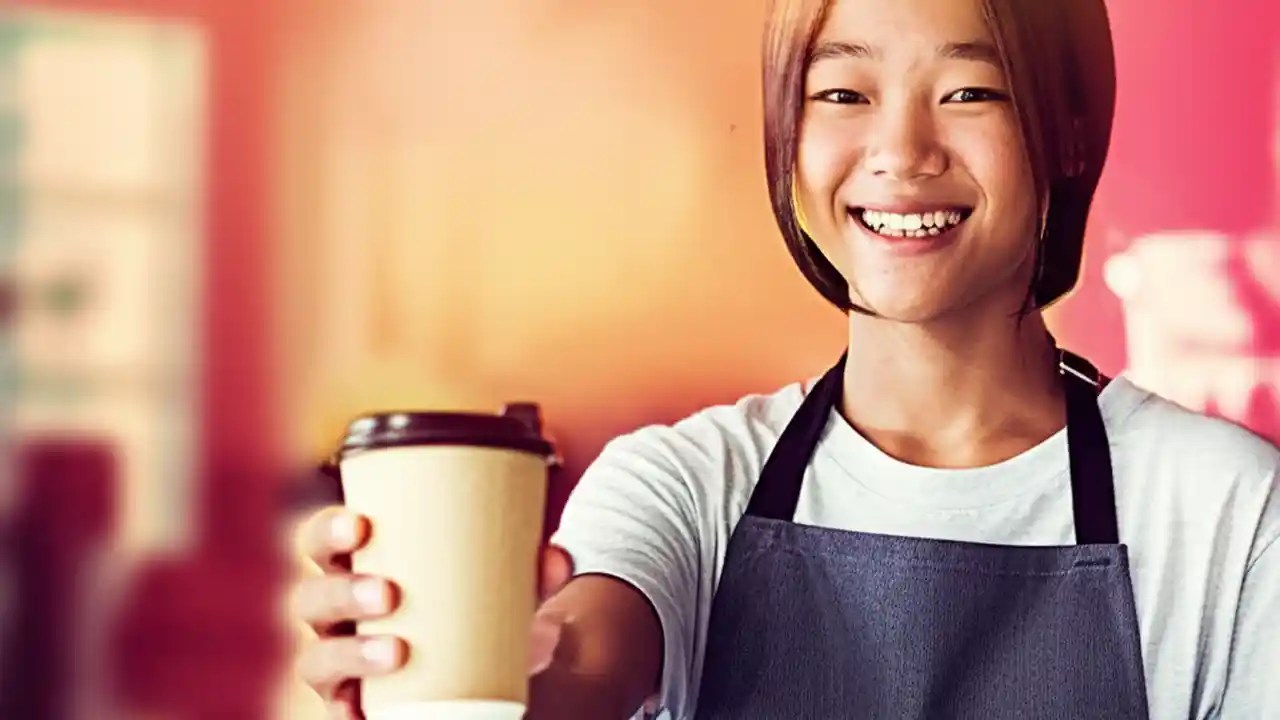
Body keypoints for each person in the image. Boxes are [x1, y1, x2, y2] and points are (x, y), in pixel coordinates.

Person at [291, 0, 1280, 717]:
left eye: (969, 89)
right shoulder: (684, 485)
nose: (899, 149)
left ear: (1064, 132)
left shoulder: (1224, 509)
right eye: (842, 91)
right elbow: (579, 669)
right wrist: (460, 670)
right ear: (786, 135)